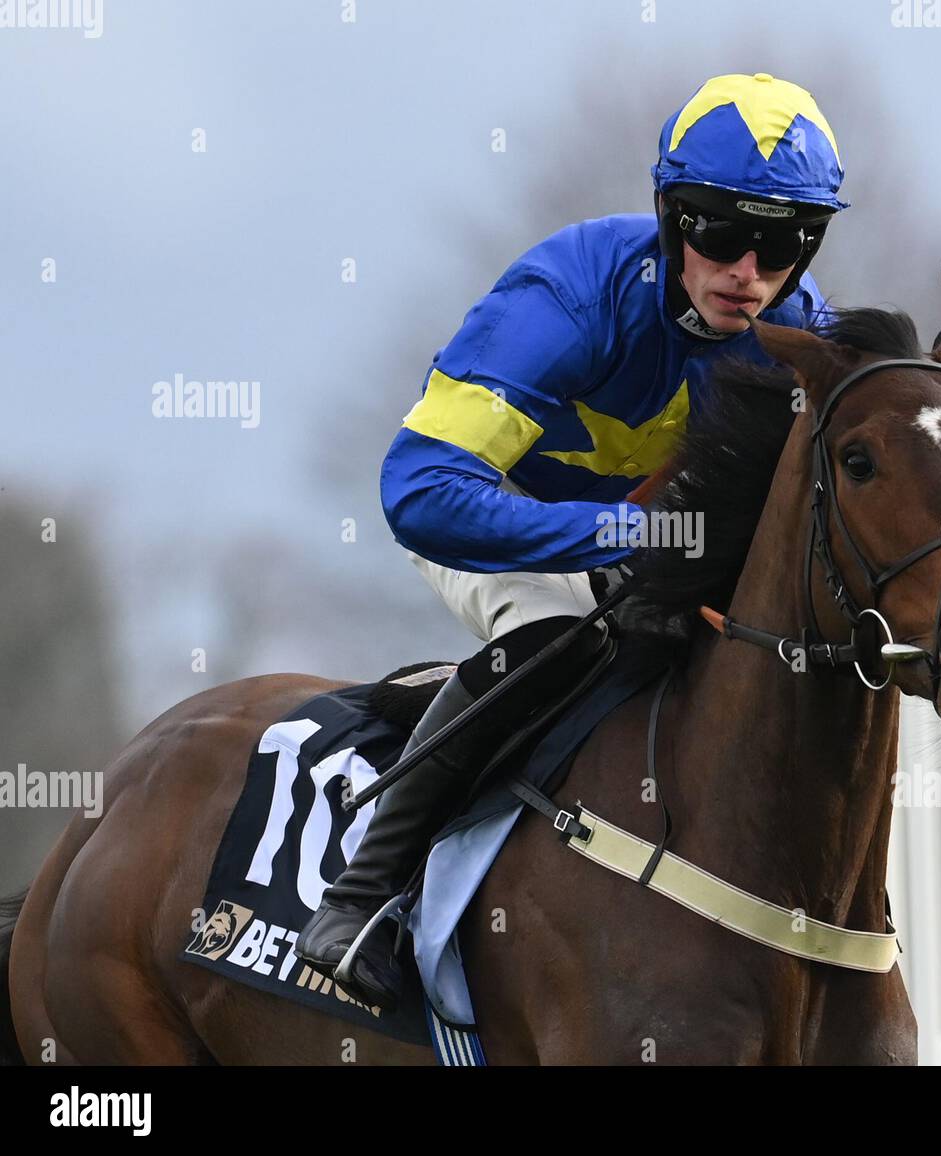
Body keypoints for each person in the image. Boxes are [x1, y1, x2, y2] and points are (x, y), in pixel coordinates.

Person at [296, 72, 850, 1009]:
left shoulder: (800, 330)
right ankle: (361, 900)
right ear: (672, 218)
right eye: (720, 231)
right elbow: (419, 491)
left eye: (786, 241)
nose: (749, 271)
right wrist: (620, 532)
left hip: (654, 533)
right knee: (561, 636)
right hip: (494, 510)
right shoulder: (570, 295)